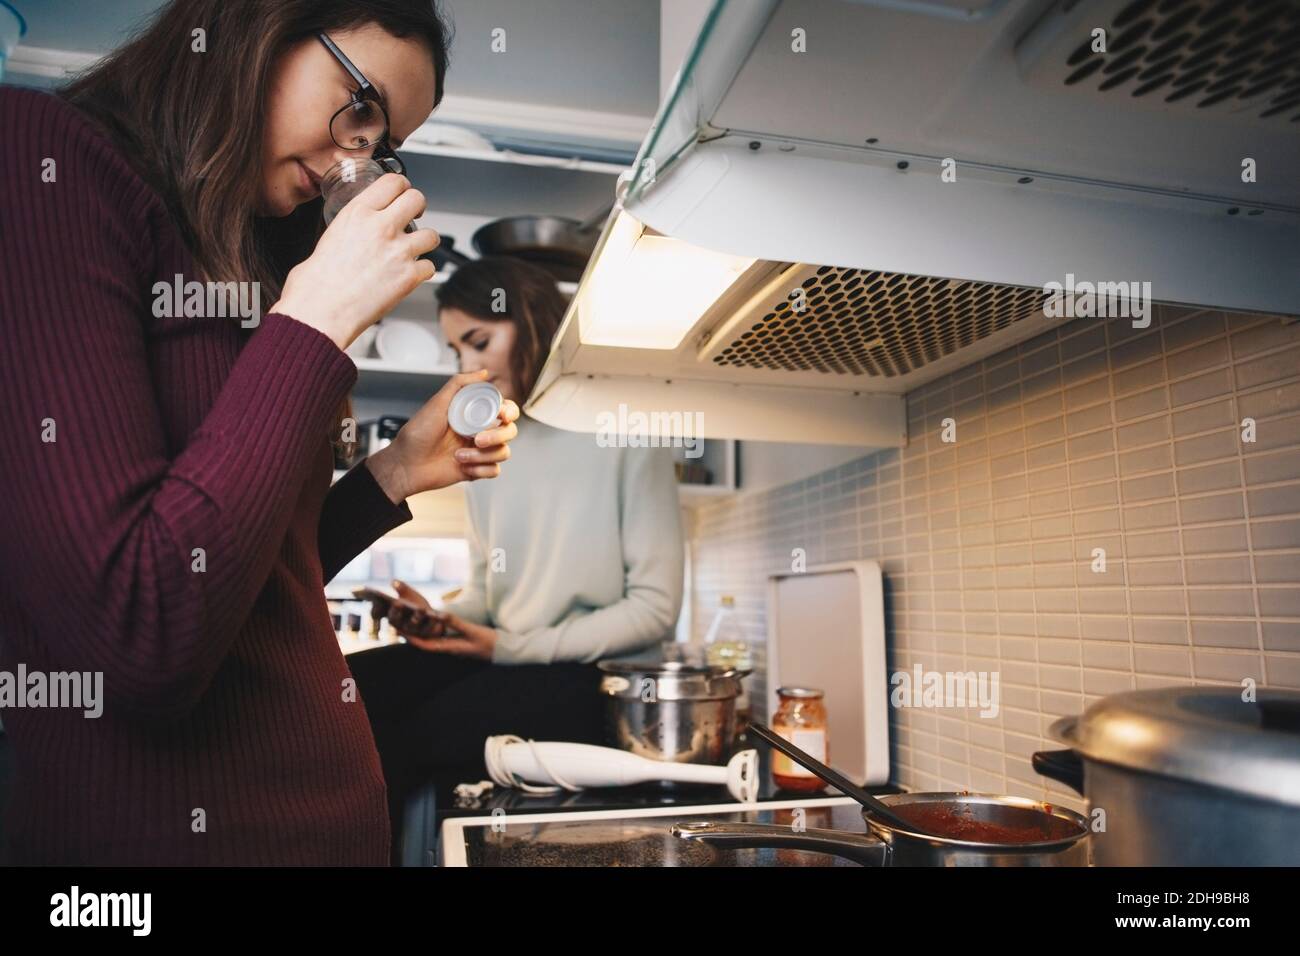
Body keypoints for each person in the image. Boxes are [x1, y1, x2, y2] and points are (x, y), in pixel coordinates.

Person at [0, 0, 521, 865]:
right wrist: (314, 324)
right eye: (361, 105)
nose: (359, 156)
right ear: (257, 26)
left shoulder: (238, 250)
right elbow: (142, 631)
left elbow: (247, 575)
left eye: (383, 140)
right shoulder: (42, 160)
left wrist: (391, 475)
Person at [348, 257, 684, 860]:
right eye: (456, 351)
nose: (467, 369)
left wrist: (502, 646)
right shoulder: (495, 444)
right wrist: (446, 622)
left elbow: (654, 610)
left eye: (479, 341)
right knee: (353, 691)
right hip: (509, 659)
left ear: (531, 321)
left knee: (417, 733)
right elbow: (489, 590)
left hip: (598, 682)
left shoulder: (629, 427)